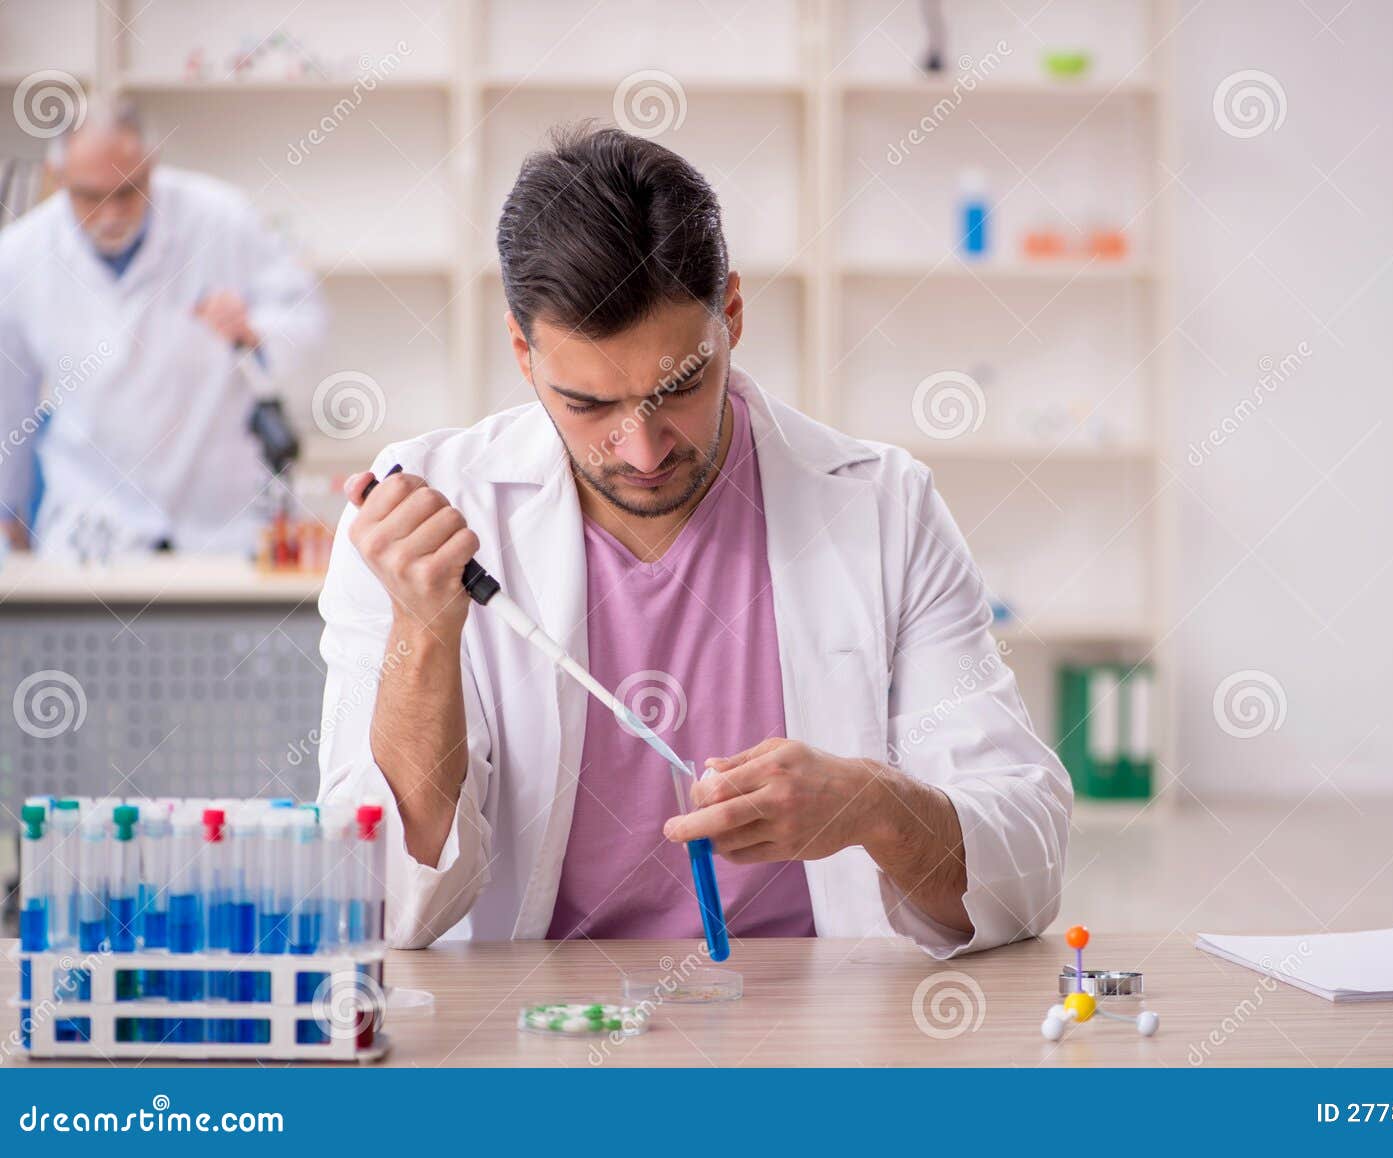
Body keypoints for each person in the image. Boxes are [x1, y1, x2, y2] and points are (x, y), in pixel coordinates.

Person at [317, 125, 1071, 957]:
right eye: (590, 406)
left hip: (814, 1015)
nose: (643, 452)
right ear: (523, 354)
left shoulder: (884, 507)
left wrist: (873, 806)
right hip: (545, 1019)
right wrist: (424, 633)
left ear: (732, 317)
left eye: (678, 386)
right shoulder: (418, 521)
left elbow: (1026, 872)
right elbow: (383, 908)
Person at [0, 98, 327, 555]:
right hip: (93, 525)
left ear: (151, 166)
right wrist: (7, 514)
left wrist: (255, 330)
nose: (111, 215)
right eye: (90, 196)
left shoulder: (220, 217)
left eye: (127, 192)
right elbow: (8, 403)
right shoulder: (19, 256)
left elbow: (307, 318)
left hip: (217, 520)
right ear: (57, 179)